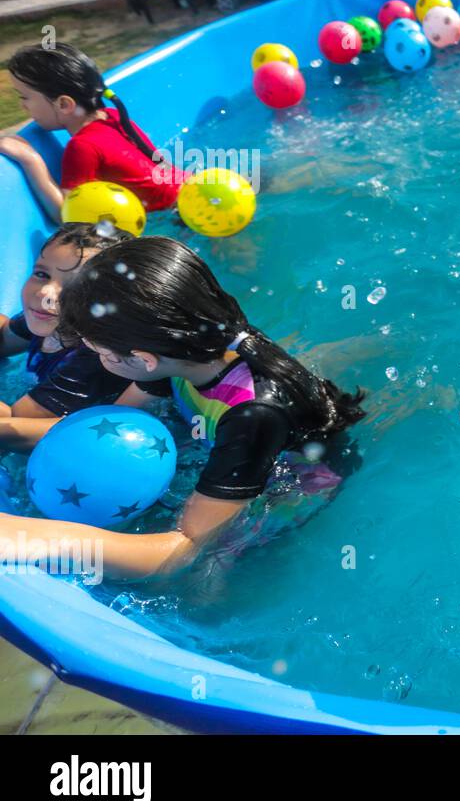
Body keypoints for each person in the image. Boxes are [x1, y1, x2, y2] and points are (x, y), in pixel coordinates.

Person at [0, 237, 366, 581]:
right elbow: (104, 424)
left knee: (201, 584)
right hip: (221, 436)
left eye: (97, 352)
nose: (93, 357)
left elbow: (185, 549)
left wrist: (42, 538)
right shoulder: (182, 340)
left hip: (294, 480)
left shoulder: (251, 414)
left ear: (141, 360)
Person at [0, 43, 184, 219]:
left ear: (64, 104)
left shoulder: (82, 146)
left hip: (174, 215)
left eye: (25, 97)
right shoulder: (113, 116)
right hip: (188, 191)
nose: (22, 106)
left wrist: (31, 160)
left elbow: (67, 215)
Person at [0, 224, 134, 451]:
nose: (45, 293)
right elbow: (3, 339)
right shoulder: (50, 318)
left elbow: (17, 419)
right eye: (42, 274)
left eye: (75, 286)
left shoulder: (96, 358)